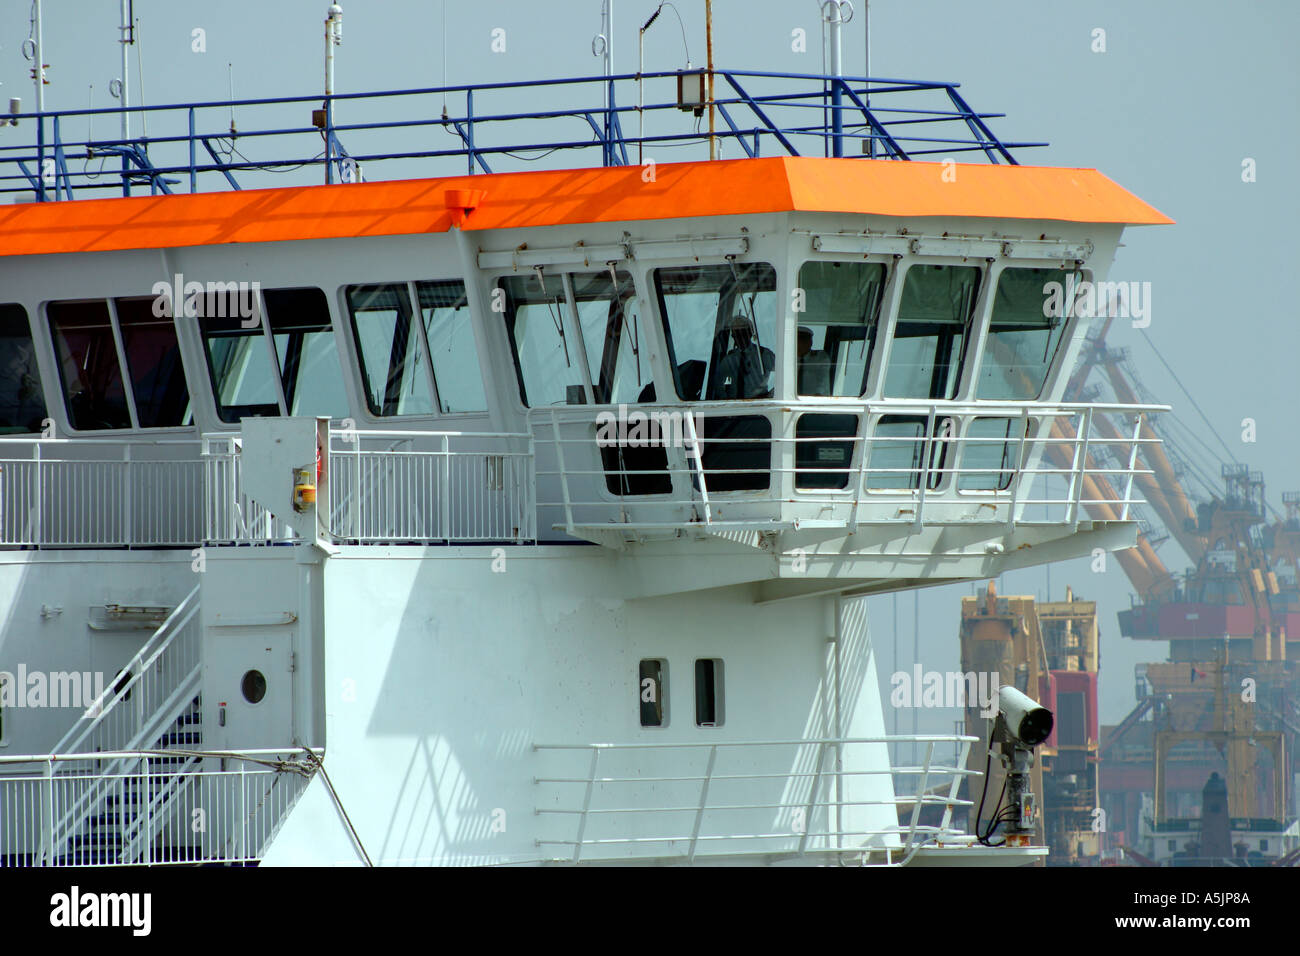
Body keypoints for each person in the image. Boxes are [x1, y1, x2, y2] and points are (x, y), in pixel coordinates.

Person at [714, 313, 775, 399]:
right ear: (733, 336)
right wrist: (726, 399)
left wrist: (772, 394)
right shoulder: (729, 360)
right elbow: (717, 384)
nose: (739, 337)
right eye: (736, 333)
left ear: (750, 333)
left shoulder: (763, 355)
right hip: (733, 404)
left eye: (742, 332)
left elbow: (786, 373)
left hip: (759, 404)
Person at [797, 326, 832, 395]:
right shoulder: (787, 360)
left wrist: (818, 393)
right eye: (799, 339)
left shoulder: (820, 357)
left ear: (811, 343)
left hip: (817, 400)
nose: (801, 343)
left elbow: (822, 379)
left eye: (804, 339)